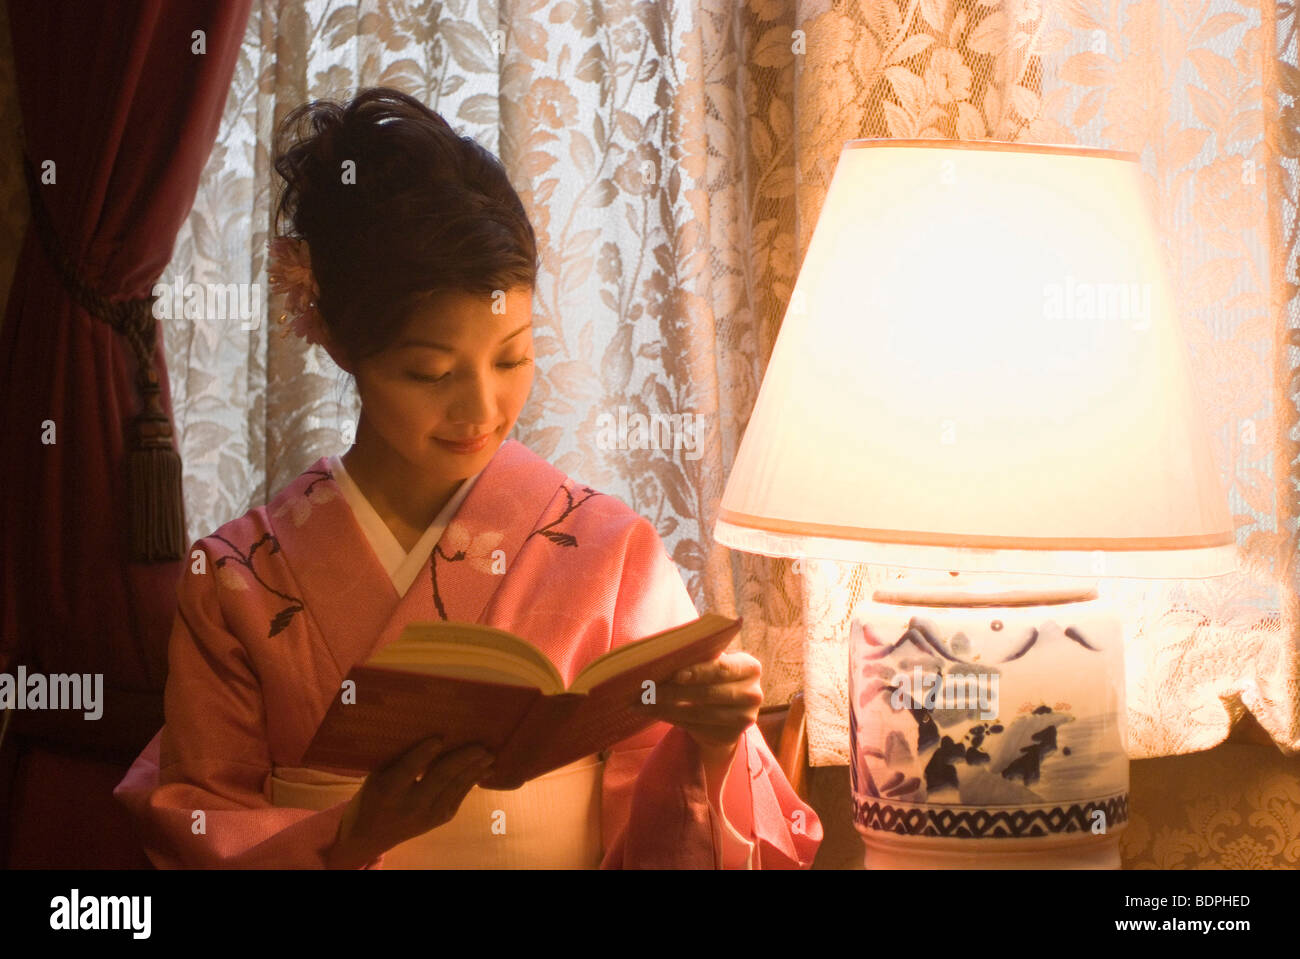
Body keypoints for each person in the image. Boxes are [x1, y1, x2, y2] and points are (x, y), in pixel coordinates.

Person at [114, 87, 822, 869]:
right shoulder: (235, 584)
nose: (483, 407)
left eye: (512, 356)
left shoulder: (613, 554)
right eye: (430, 371)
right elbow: (197, 832)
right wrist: (351, 836)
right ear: (344, 344)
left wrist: (712, 743)